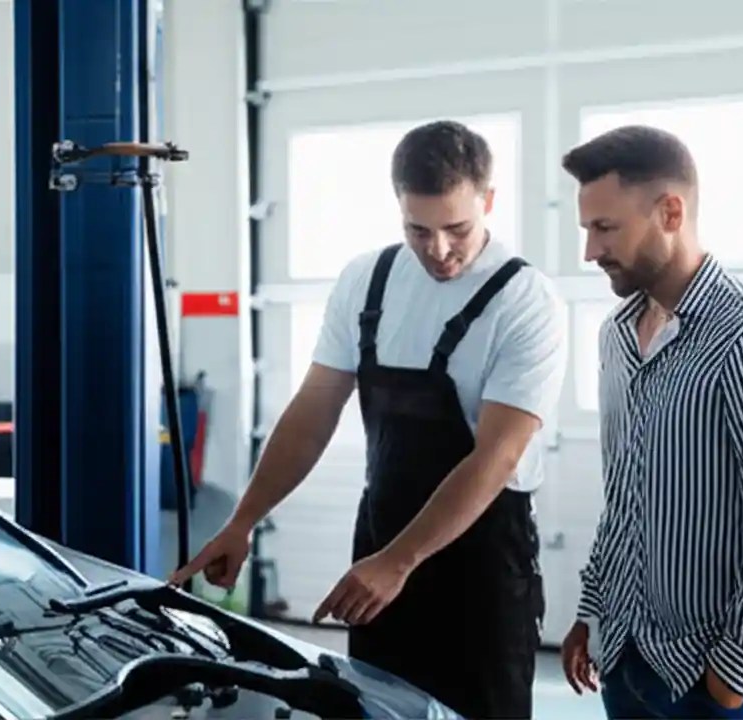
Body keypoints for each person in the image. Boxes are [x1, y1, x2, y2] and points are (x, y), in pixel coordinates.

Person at [171, 120, 567, 719]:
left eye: (457, 228)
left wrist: (398, 563)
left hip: (480, 564)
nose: (438, 250)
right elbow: (314, 408)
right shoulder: (368, 280)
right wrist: (242, 521)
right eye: (418, 229)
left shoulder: (524, 299)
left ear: (488, 202)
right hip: (380, 540)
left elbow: (497, 457)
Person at [556, 125, 743, 720]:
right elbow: (623, 495)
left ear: (670, 212)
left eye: (605, 228)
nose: (590, 251)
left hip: (711, 682)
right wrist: (592, 611)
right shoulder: (618, 337)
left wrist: (734, 676)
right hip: (623, 660)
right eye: (587, 229)